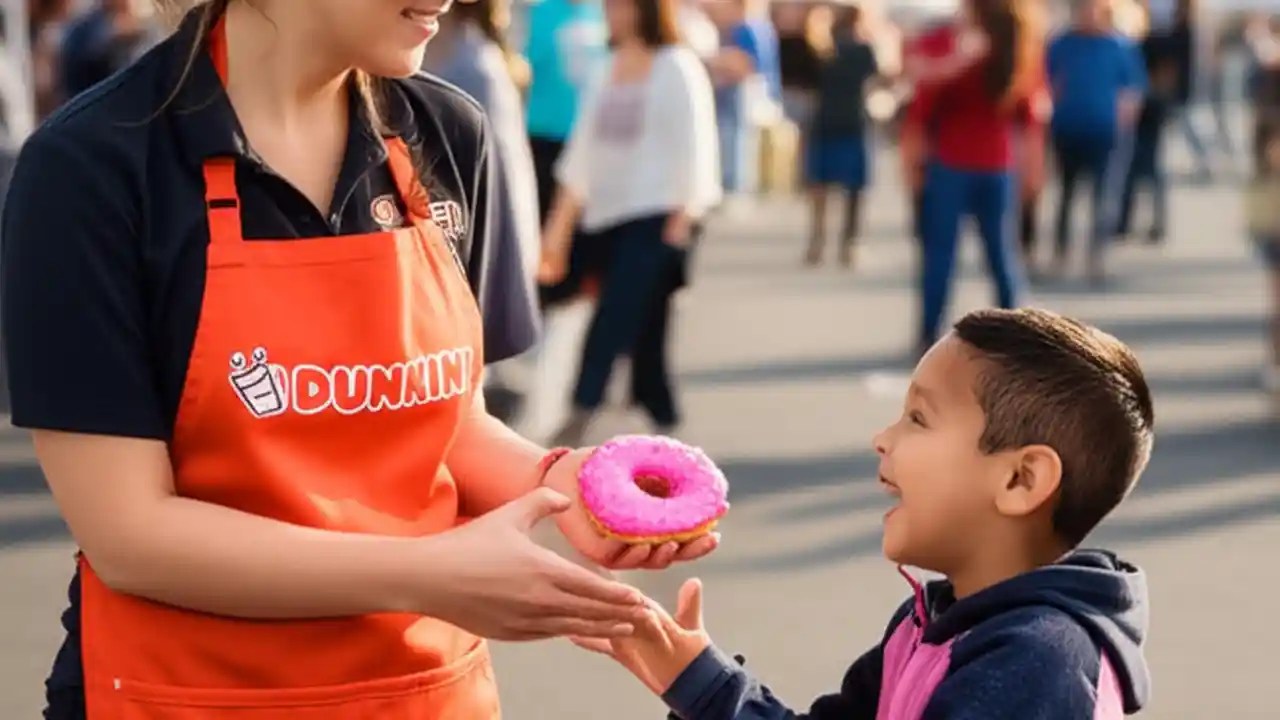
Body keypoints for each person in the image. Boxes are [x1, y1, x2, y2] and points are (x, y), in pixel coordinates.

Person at [0, 1, 720, 718]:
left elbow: (453, 424)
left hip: (424, 693)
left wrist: (557, 484)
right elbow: (130, 536)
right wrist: (429, 575)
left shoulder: (447, 132)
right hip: (184, 695)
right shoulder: (93, 165)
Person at [575, 307, 1155, 719]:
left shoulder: (1039, 664)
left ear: (1020, 479)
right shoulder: (934, 621)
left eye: (919, 419)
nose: (882, 438)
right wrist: (695, 677)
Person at [538, 0, 721, 445]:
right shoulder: (606, 68)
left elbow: (695, 144)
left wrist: (685, 216)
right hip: (607, 214)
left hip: (657, 215)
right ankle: (664, 416)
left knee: (614, 316)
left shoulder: (677, 66)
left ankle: (581, 409)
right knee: (647, 327)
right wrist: (558, 228)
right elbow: (582, 152)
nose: (613, 14)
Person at [421, 0, 542, 422]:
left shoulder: (475, 70)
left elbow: (502, 174)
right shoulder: (451, 55)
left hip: (463, 241)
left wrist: (514, 251)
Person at [906, 0, 1048, 357]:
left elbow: (1029, 113)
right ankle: (929, 332)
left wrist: (1033, 169)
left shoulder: (1014, 42)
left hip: (990, 165)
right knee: (942, 255)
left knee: (1000, 254)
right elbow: (921, 95)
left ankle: (1018, 336)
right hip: (953, 163)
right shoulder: (943, 40)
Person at [1047, 0, 1147, 284]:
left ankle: (1097, 257)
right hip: (1068, 128)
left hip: (1105, 132)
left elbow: (1132, 90)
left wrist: (1123, 123)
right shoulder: (1061, 44)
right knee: (1066, 196)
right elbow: (1049, 82)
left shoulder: (1119, 46)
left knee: (1103, 198)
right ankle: (1060, 254)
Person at [802, 2, 879, 268]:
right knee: (854, 189)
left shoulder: (823, 46)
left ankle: (818, 241)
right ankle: (849, 243)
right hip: (852, 122)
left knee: (821, 186)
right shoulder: (863, 49)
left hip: (826, 121)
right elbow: (882, 76)